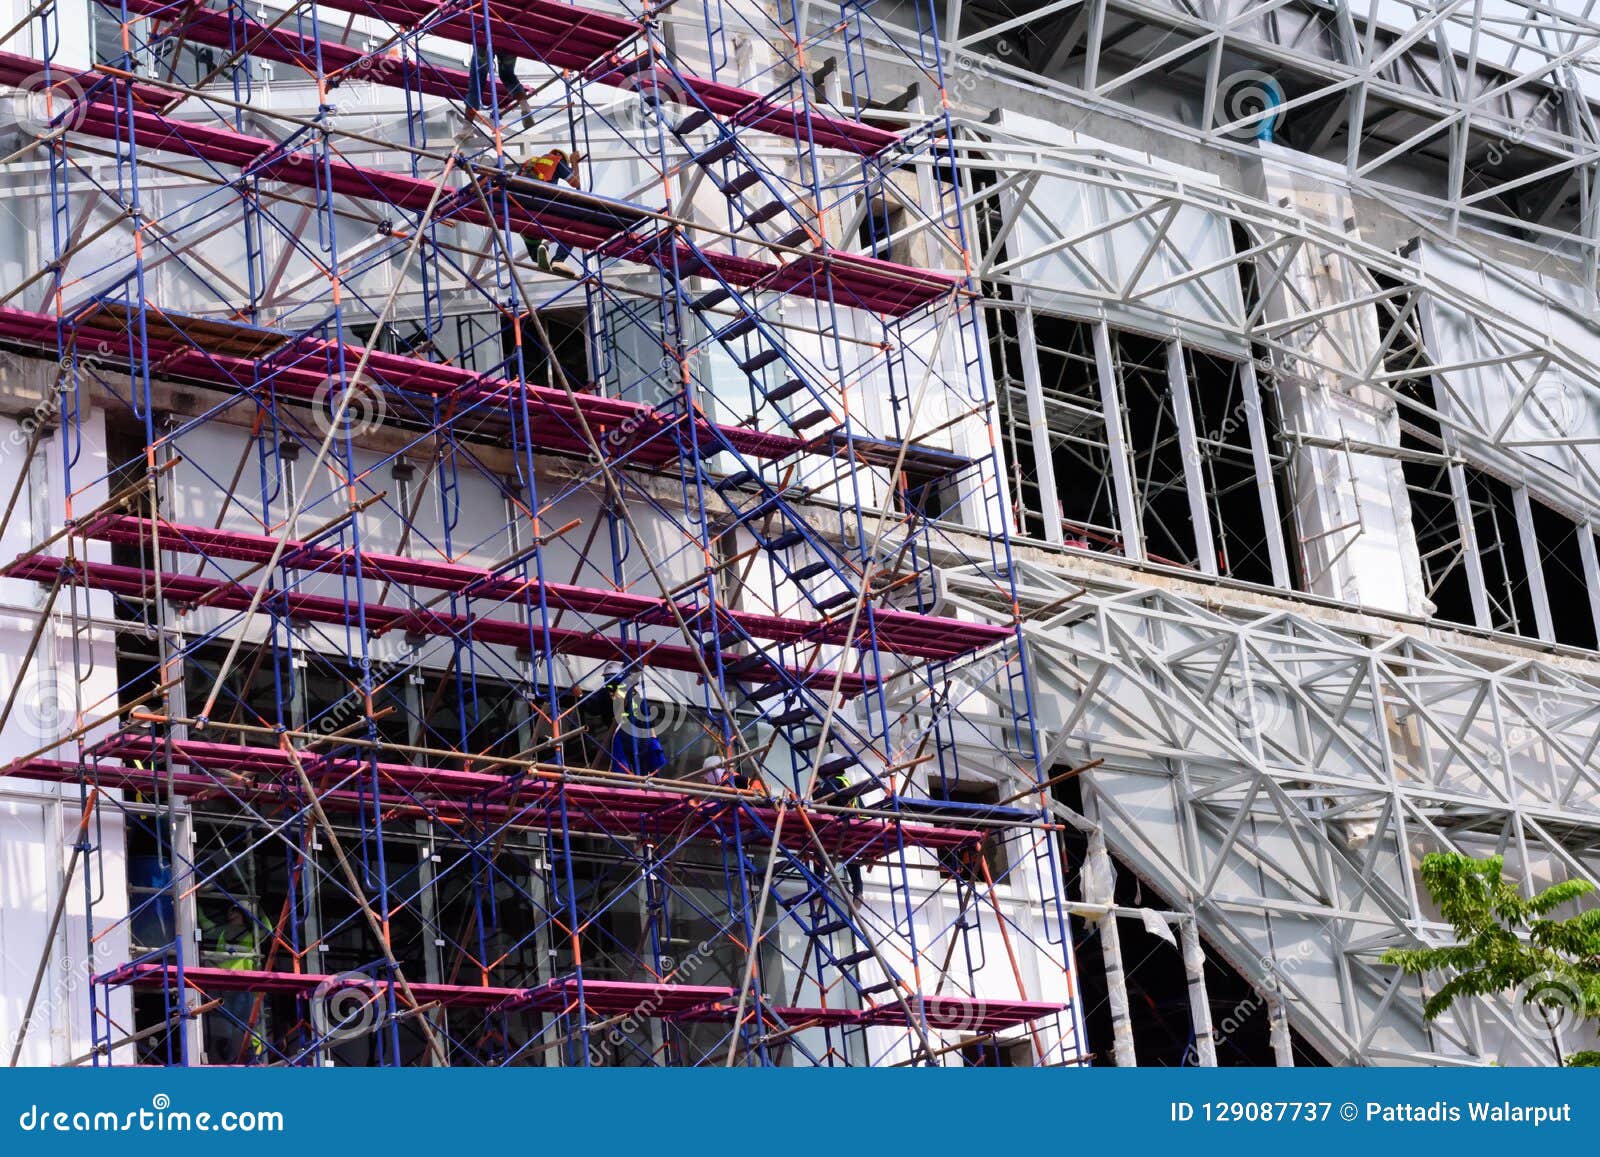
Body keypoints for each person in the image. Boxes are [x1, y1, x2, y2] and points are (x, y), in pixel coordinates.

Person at [197, 901, 264, 1063]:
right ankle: (230, 1054)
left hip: (244, 984)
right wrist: (196, 907)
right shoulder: (223, 933)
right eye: (230, 913)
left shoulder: (251, 934)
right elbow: (206, 925)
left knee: (246, 1023)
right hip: (226, 984)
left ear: (244, 916)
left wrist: (257, 907)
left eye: (236, 913)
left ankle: (253, 1055)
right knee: (227, 1024)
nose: (231, 916)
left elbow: (266, 927)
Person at [513, 148, 583, 277]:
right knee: (573, 226)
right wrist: (575, 163)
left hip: (521, 207)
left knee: (532, 239)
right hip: (543, 204)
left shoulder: (530, 163)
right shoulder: (557, 160)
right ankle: (558, 260)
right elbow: (575, 182)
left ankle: (539, 251)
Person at [466, 49, 532, 130]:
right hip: (508, 42)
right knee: (508, 75)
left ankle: (467, 126)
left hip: (484, 42)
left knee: (477, 79)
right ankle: (524, 106)